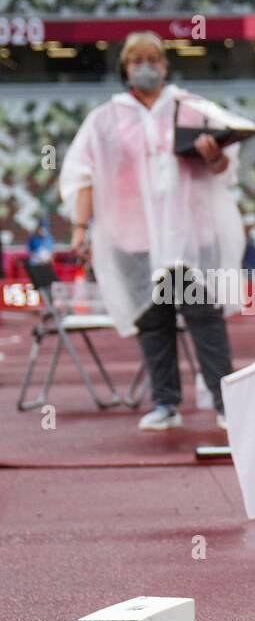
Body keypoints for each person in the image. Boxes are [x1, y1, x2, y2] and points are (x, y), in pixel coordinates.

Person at [60, 30, 244, 431]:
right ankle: (165, 402)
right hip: (135, 238)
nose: (146, 67)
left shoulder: (191, 108)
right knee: (153, 320)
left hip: (188, 238)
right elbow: (83, 174)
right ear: (125, 68)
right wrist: (80, 227)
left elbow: (226, 163)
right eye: (137, 60)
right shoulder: (105, 120)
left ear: (165, 64)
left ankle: (226, 402)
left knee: (204, 318)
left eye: (153, 59)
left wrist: (215, 157)